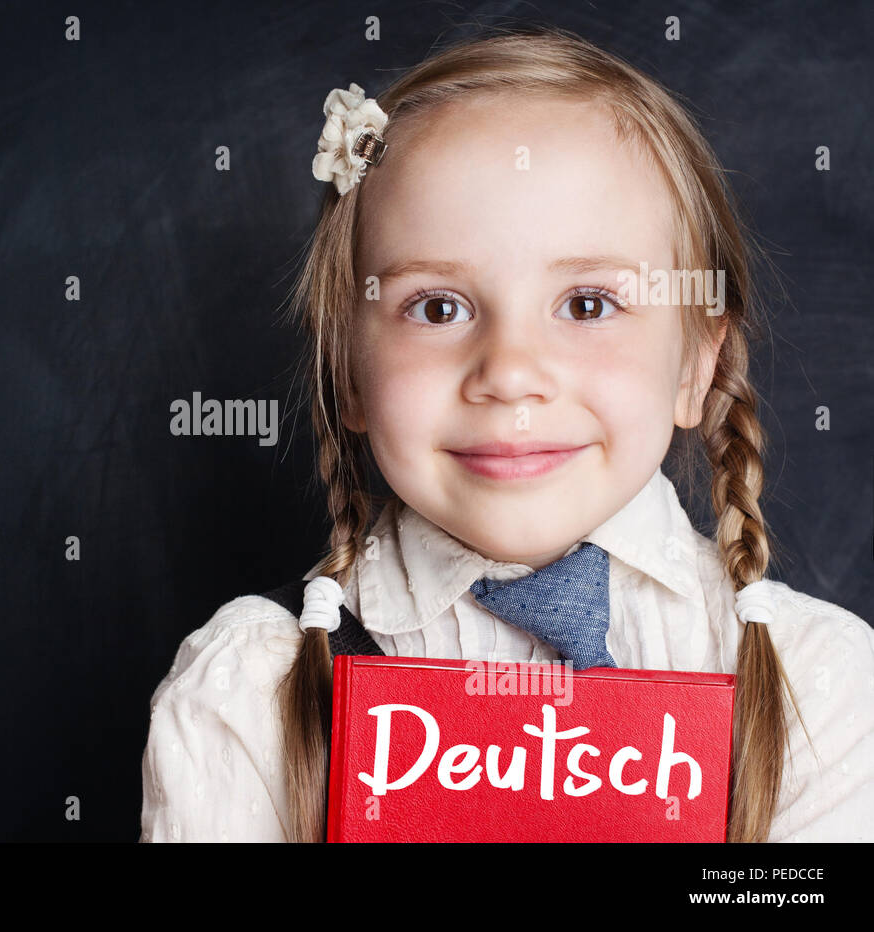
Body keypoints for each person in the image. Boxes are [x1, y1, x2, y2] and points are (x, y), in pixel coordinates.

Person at [139, 26, 874, 843]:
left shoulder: (824, 691)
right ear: (348, 369)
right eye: (438, 307)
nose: (511, 372)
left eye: (589, 304)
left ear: (695, 366)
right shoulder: (248, 694)